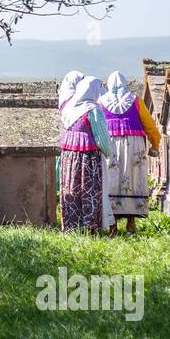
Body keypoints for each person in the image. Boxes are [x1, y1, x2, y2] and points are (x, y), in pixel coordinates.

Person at [99, 70, 161, 234]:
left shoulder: (101, 102)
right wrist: (155, 145)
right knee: (133, 181)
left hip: (110, 145)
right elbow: (150, 125)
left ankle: (112, 225)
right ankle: (131, 222)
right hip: (133, 145)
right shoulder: (135, 101)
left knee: (111, 181)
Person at [58, 74, 114, 232]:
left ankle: (71, 224)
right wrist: (109, 154)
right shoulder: (93, 110)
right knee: (88, 190)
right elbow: (102, 137)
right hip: (88, 159)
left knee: (71, 189)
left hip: (69, 157)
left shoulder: (69, 109)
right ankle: (90, 225)